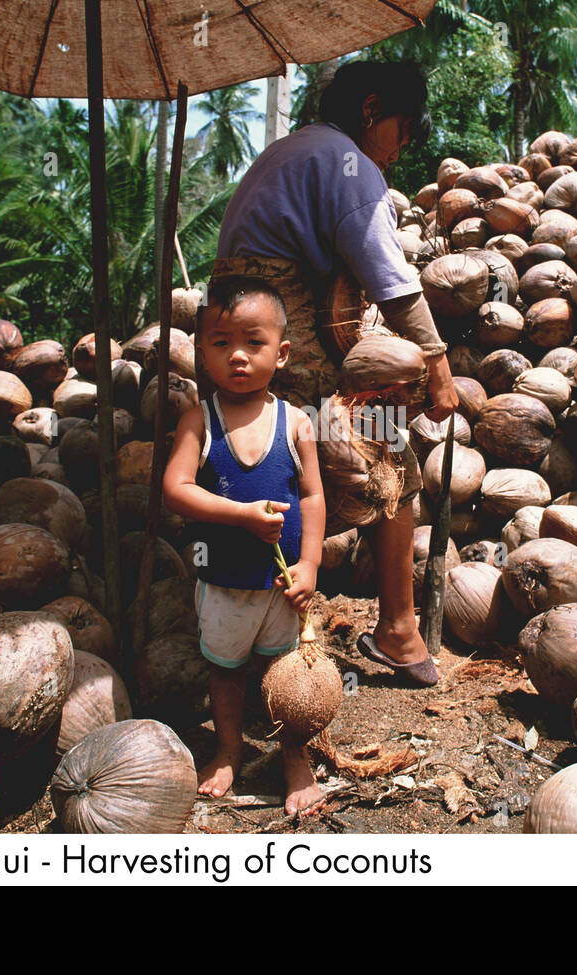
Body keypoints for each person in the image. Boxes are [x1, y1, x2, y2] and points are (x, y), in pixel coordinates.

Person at [210, 60, 457, 686]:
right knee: (386, 451)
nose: (400, 153)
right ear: (373, 109)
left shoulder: (292, 149)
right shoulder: (348, 162)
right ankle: (397, 631)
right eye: (403, 131)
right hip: (274, 331)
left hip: (234, 332)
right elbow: (393, 283)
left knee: (281, 464)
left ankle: (247, 627)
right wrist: (439, 368)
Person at [163, 276, 327, 817]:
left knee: (288, 679)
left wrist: (309, 565)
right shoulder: (199, 420)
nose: (237, 356)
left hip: (283, 587)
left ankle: (294, 756)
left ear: (280, 354)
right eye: (220, 342)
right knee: (226, 671)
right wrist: (240, 515)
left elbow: (313, 497)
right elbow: (177, 489)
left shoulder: (296, 422)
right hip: (224, 583)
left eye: (253, 343)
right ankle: (229, 748)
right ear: (199, 351)